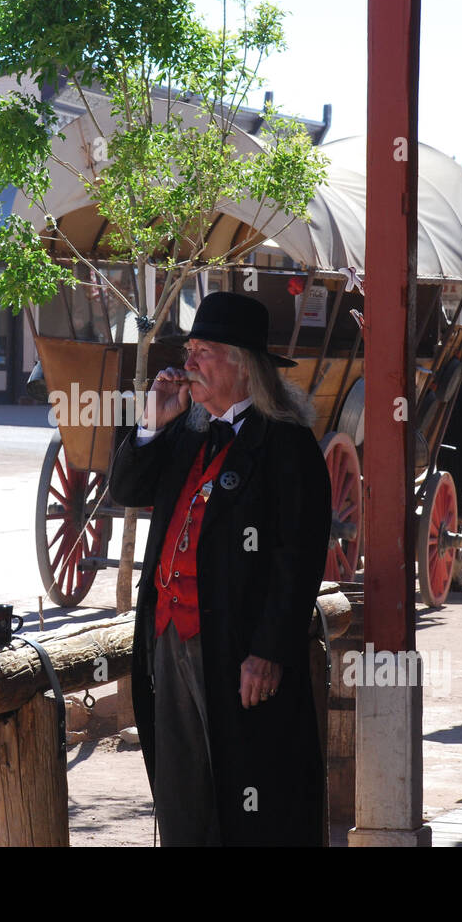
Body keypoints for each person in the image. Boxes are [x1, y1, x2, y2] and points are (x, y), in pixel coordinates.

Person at [109, 290, 332, 846]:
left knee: (248, 791)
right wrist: (152, 423)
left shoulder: (285, 443)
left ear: (242, 364)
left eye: (203, 351)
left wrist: (269, 651)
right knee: (182, 788)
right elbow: (127, 489)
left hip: (237, 648)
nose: (189, 364)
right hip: (168, 635)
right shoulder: (185, 430)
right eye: (189, 349)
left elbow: (296, 558)